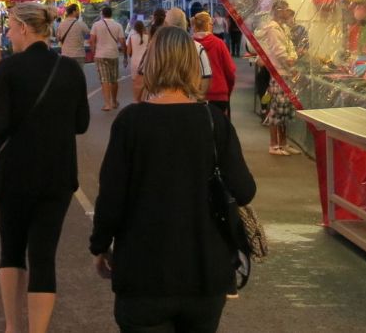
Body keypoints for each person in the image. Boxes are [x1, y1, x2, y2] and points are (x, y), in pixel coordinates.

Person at [90, 26, 256, 333]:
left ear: (151, 64)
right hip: (205, 273)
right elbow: (244, 190)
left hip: (143, 273)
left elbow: (111, 198)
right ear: (193, 66)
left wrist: (101, 246)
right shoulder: (213, 122)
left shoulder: (130, 124)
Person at [0, 2, 90, 333]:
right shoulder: (70, 70)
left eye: (10, 27)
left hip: (14, 175)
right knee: (44, 256)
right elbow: (82, 123)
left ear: (23, 28)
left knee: (12, 250)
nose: (7, 33)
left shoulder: (8, 69)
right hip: (57, 175)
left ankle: (12, 325)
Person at [256, 2, 298, 156]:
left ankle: (283, 142)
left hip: (286, 73)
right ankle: (274, 144)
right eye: (285, 10)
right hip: (278, 73)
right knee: (276, 110)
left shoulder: (284, 28)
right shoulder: (273, 29)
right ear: (278, 11)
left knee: (285, 110)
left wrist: (292, 57)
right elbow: (279, 51)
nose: (288, 13)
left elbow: (291, 47)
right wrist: (289, 60)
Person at [192, 12, 237, 118]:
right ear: (209, 25)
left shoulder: (188, 44)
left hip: (195, 96)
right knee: (221, 130)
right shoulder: (219, 44)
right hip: (219, 96)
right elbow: (230, 71)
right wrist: (227, 91)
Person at [164, 7, 212, 98]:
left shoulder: (157, 47)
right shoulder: (197, 47)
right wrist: (199, 98)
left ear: (166, 25)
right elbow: (206, 76)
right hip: (189, 100)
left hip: (161, 102)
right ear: (184, 24)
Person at [89, 5, 125, 111]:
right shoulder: (118, 25)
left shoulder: (96, 25)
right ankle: (114, 101)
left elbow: (92, 40)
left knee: (104, 80)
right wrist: (125, 55)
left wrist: (93, 51)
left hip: (100, 55)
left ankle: (107, 104)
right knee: (114, 80)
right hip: (113, 54)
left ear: (102, 14)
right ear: (111, 14)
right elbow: (122, 41)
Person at [125, 20, 149, 103]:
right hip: (145, 61)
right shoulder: (148, 37)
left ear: (134, 28)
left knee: (135, 81)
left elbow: (128, 52)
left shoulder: (132, 37)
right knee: (145, 81)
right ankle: (143, 98)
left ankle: (136, 99)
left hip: (135, 61)